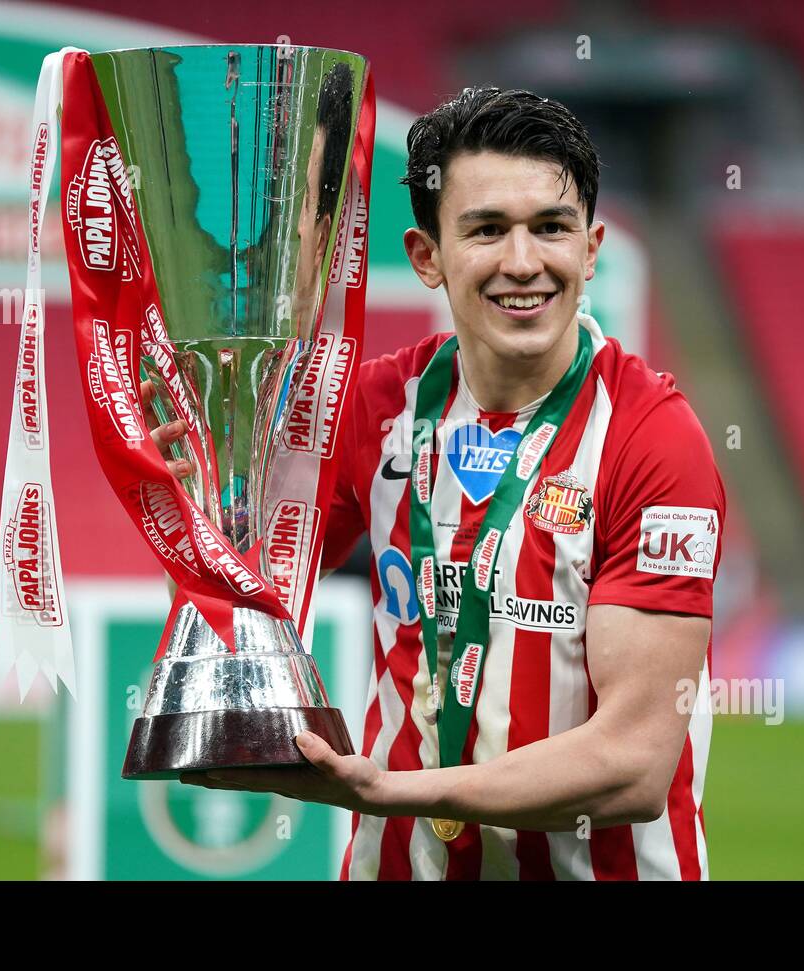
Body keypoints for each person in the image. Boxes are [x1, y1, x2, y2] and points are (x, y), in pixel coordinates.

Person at [162, 86, 727, 880]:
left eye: (552, 228)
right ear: (427, 256)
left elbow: (633, 763)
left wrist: (398, 789)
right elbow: (243, 594)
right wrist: (201, 499)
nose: (524, 262)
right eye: (488, 230)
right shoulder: (372, 409)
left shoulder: (651, 438)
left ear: (591, 249)